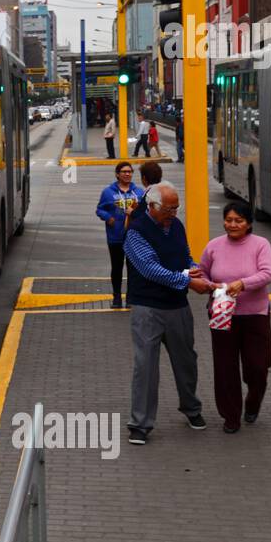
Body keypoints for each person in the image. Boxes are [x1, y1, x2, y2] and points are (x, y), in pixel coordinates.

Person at [123, 181, 212, 444]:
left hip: (178, 307)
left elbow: (185, 258)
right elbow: (150, 269)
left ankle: (191, 408)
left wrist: (196, 270)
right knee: (146, 367)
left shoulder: (176, 226)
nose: (173, 214)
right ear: (151, 206)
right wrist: (187, 282)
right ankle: (140, 424)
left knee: (187, 362)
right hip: (147, 308)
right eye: (169, 209)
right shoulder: (136, 232)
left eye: (176, 208)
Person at [198, 201, 271, 434]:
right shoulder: (214, 246)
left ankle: (253, 402)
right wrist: (209, 285)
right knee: (225, 368)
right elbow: (202, 271)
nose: (233, 224)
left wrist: (243, 284)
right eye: (229, 220)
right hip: (222, 314)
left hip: (255, 314)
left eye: (238, 220)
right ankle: (230, 417)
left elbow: (266, 273)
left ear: (248, 223)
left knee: (257, 367)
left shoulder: (261, 245)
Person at [95, 162, 141, 309]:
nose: (127, 174)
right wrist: (108, 218)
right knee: (117, 268)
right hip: (115, 237)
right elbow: (99, 209)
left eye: (129, 172)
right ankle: (116, 297)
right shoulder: (108, 192)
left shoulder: (138, 193)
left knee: (133, 268)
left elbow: (145, 212)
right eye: (124, 172)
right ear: (117, 174)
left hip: (134, 237)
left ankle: (130, 298)